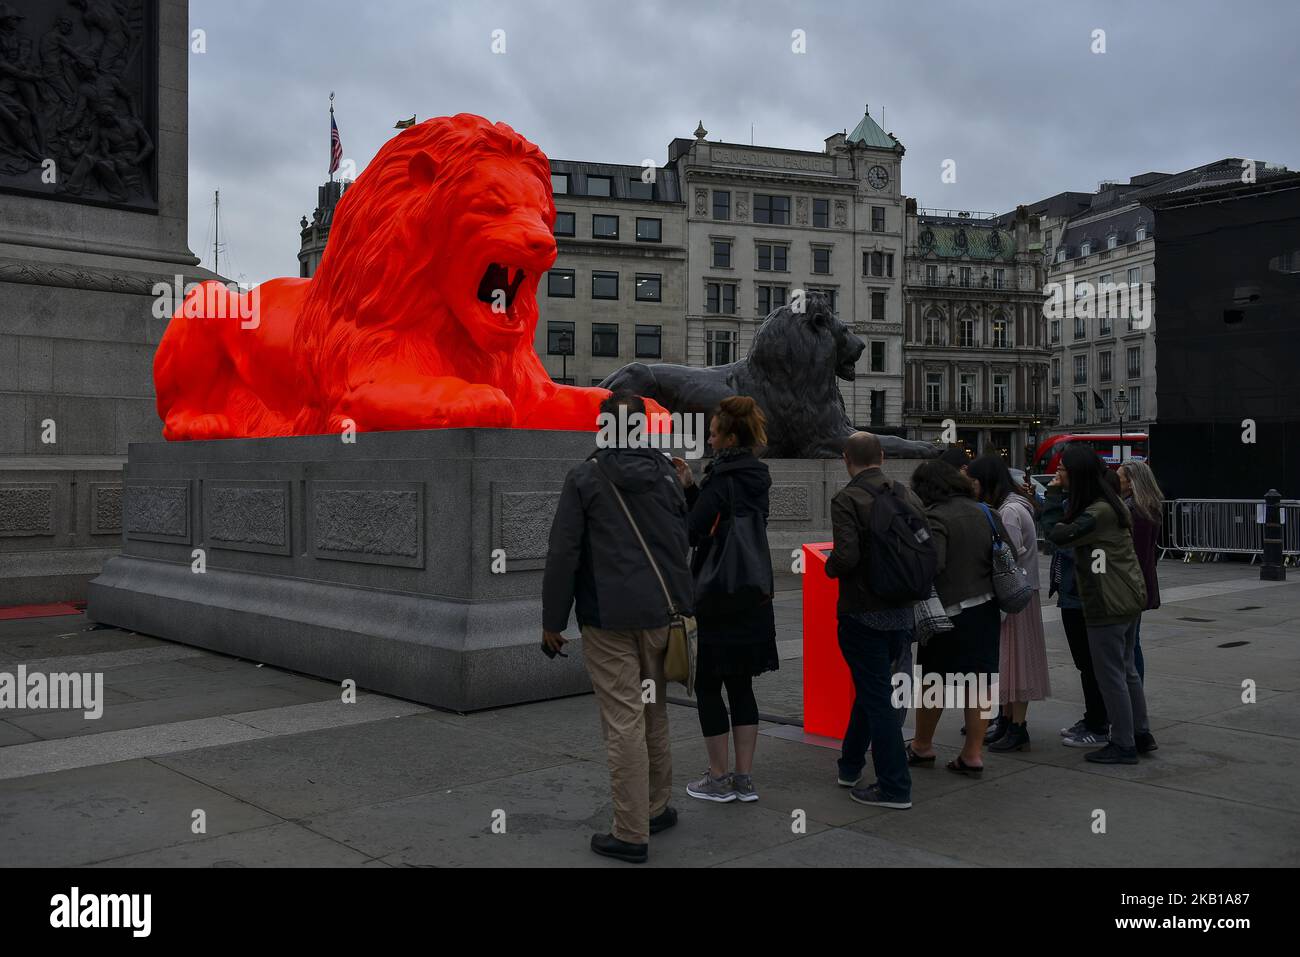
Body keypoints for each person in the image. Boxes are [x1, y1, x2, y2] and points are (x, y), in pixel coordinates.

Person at [542, 392, 694, 863]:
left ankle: (630, 833)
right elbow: (679, 539)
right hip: (661, 615)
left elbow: (564, 553)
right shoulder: (667, 474)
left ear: (604, 427)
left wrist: (553, 621)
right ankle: (656, 807)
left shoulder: (586, 476)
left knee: (623, 719)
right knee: (654, 711)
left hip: (609, 619)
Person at [672, 396, 779, 804]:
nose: (710, 438)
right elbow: (732, 523)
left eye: (714, 432)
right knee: (742, 686)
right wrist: (694, 487)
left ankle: (717, 779)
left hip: (717, 597)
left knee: (708, 686)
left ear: (730, 437)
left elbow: (696, 532)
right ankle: (743, 779)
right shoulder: (757, 477)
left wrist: (687, 494)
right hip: (753, 596)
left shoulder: (722, 479)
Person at [823, 432, 924, 808]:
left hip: (862, 612)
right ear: (881, 456)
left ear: (846, 459)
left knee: (876, 698)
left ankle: (895, 786)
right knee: (872, 692)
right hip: (901, 611)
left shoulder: (847, 498)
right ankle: (849, 766)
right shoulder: (907, 494)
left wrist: (830, 568)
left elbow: (846, 557)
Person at [1043, 448, 1155, 765]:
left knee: (1111, 675)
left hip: (1107, 601)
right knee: (1127, 670)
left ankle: (1123, 743)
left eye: (1062, 470)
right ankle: (1140, 732)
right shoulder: (1110, 505)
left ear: (1076, 476)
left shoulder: (1099, 511)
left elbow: (1057, 536)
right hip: (1127, 596)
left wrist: (1050, 497)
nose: (1058, 475)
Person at [906, 460, 1008, 776]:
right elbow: (1008, 554)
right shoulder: (987, 513)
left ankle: (922, 746)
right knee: (979, 683)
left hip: (948, 613)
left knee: (934, 681)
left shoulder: (935, 516)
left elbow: (932, 564)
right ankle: (973, 754)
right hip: (987, 610)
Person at [967, 455, 1050, 752]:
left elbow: (1007, 556)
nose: (972, 488)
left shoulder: (1011, 512)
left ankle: (1017, 726)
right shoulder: (1010, 506)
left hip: (1017, 596)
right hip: (1018, 594)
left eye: (975, 482)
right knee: (1008, 661)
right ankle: (1006, 720)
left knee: (1018, 661)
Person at [1119, 460, 1163, 682]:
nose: (1116, 481)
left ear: (1131, 482)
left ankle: (1134, 699)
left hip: (1131, 585)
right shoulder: (1148, 508)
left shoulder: (1133, 510)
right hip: (1140, 583)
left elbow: (1135, 554)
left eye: (1120, 477)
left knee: (1129, 644)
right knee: (1132, 642)